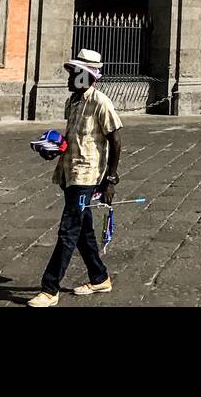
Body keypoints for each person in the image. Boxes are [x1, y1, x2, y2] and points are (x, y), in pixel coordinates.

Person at [29, 48, 123, 308]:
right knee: (82, 230)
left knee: (68, 229)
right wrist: (54, 147)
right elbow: (75, 137)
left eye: (74, 74)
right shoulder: (72, 102)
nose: (69, 78)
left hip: (87, 175)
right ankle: (100, 277)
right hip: (69, 171)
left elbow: (116, 141)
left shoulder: (101, 102)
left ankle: (50, 288)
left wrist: (111, 180)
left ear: (86, 76)